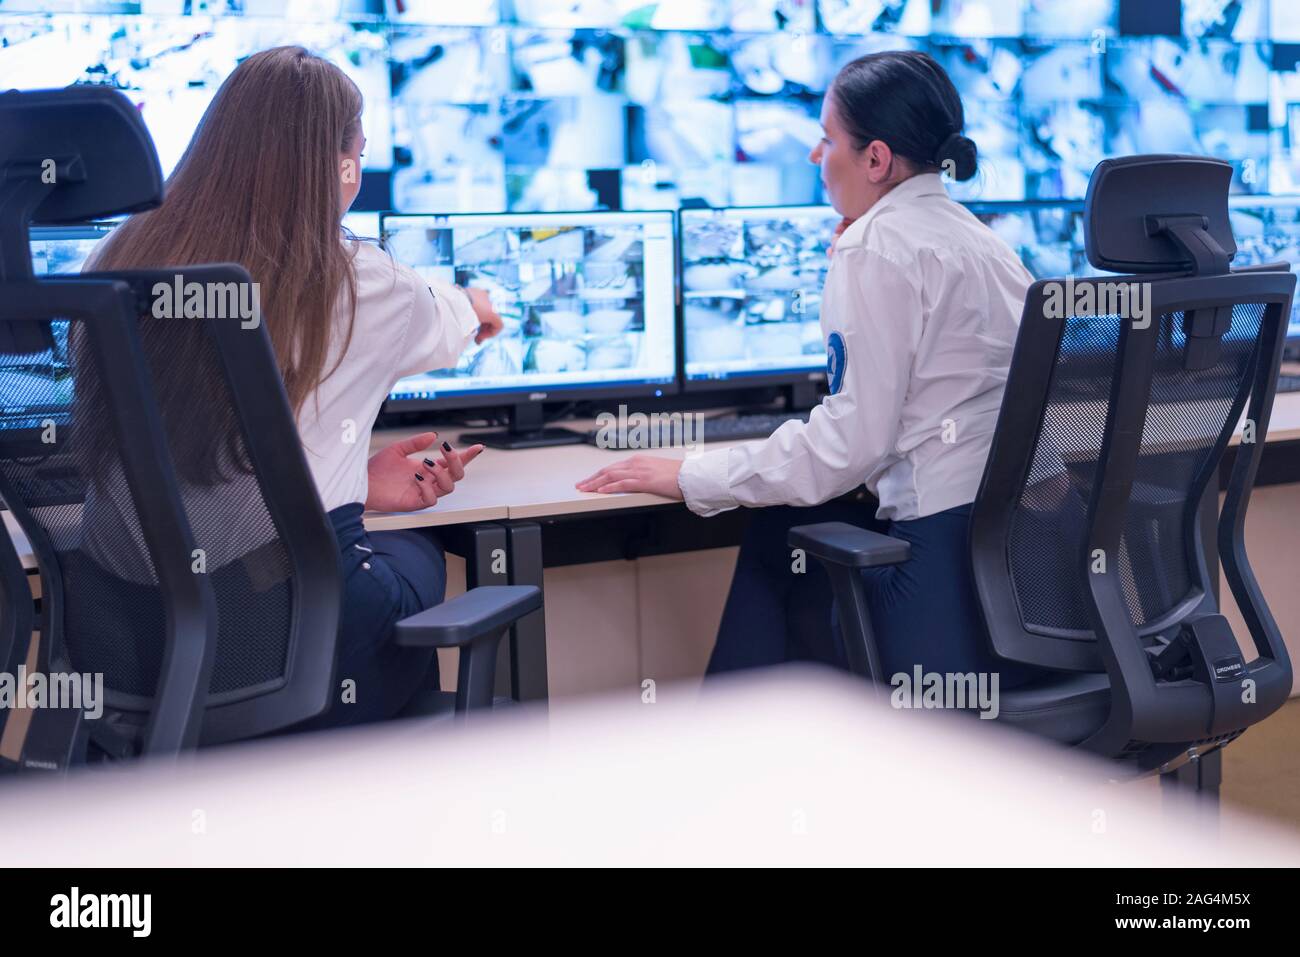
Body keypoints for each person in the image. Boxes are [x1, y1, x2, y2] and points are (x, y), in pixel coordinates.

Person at [579, 50, 1047, 687]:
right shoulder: (983, 242)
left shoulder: (878, 244)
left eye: (827, 139)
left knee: (781, 536)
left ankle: (741, 756)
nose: (813, 156)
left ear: (875, 159)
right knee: (784, 531)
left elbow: (850, 445)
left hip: (945, 570)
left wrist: (693, 475)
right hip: (1028, 568)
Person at [83, 46, 503, 727]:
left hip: (138, 646)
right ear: (332, 165)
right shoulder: (360, 282)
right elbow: (456, 318)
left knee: (348, 542)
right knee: (417, 552)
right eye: (357, 157)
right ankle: (372, 769)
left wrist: (349, 485)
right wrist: (481, 306)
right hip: (291, 647)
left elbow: (212, 473)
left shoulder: (116, 259)